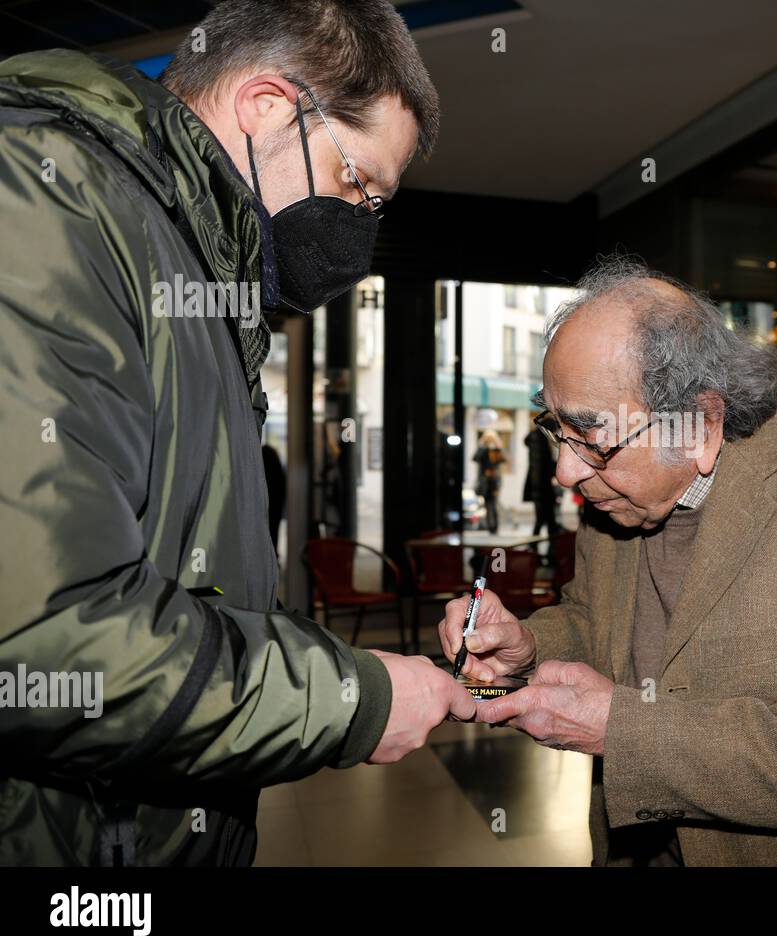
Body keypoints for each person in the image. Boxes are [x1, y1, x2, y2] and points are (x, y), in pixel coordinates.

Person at [0, 0, 475, 866]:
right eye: (359, 184)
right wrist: (351, 697)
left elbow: (178, 578)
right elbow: (40, 633)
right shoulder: (49, 192)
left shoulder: (195, 273)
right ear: (267, 106)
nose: (360, 225)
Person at [440, 257, 777, 866]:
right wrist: (528, 644)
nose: (567, 471)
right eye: (558, 429)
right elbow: (596, 619)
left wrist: (622, 731)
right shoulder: (616, 489)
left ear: (702, 424)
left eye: (593, 437)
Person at [524, 419, 562, 560]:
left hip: (540, 487)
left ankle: (539, 550)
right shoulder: (539, 440)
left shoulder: (537, 439)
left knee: (542, 520)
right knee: (546, 520)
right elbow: (541, 466)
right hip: (542, 488)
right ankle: (549, 551)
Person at [474, 430, 508, 534]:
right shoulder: (482, 450)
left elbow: (503, 459)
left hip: (495, 481)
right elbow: (475, 458)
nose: (489, 441)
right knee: (488, 504)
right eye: (487, 438)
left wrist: (498, 446)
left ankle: (494, 526)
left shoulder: (497, 451)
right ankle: (491, 526)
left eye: (491, 438)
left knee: (493, 504)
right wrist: (482, 445)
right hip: (485, 481)